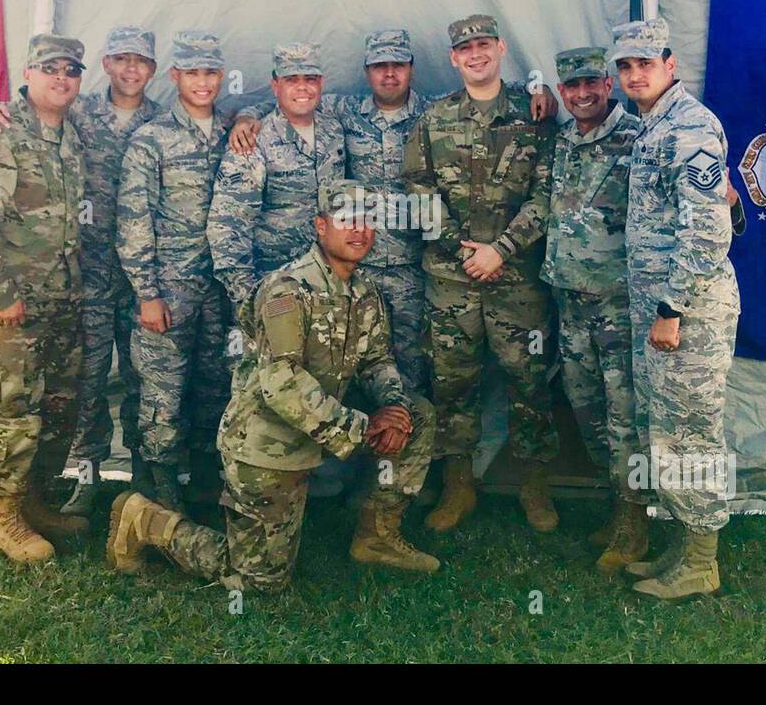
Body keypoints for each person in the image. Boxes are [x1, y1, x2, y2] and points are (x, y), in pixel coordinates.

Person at [106, 180, 440, 590]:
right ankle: (146, 520)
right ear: (320, 226)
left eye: (368, 221)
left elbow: (376, 359)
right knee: (259, 580)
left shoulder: (363, 290)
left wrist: (394, 407)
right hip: (266, 441)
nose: (360, 230)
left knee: (418, 415)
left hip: (320, 424)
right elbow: (281, 383)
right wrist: (361, 426)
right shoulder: (288, 290)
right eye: (346, 220)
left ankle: (376, 535)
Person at [228, 30, 555, 397]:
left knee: (412, 365)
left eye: (397, 65)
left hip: (412, 266)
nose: (388, 74)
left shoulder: (435, 112)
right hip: (356, 267)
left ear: (411, 68)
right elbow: (291, 100)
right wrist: (246, 115)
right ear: (367, 72)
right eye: (379, 66)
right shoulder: (343, 110)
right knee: (343, 363)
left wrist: (537, 91)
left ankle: (407, 443)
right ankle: (353, 441)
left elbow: (485, 88)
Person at [0, 26, 161, 516]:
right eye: (121, 59)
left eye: (141, 61)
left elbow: (228, 116)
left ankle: (144, 481)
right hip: (86, 276)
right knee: (85, 384)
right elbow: (21, 119)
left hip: (146, 280)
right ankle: (87, 477)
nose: (131, 69)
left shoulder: (168, 120)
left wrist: (246, 114)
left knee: (145, 380)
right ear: (106, 66)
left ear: (154, 70)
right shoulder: (80, 112)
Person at [401, 14, 558, 533]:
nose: (475, 54)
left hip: (518, 282)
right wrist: (464, 251)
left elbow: (547, 194)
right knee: (452, 384)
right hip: (452, 280)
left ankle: (534, 485)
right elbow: (417, 187)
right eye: (465, 49)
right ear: (453, 58)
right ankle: (457, 485)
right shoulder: (434, 118)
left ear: (500, 48)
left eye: (484, 45)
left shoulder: (535, 115)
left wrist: (502, 249)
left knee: (529, 382)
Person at [612, 17, 740, 600]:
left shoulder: (689, 126)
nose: (634, 74)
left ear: (671, 65)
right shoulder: (651, 126)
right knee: (666, 431)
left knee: (691, 433)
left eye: (645, 63)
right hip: (664, 313)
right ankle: (683, 546)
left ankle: (701, 564)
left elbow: (706, 233)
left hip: (689, 315)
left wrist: (672, 307)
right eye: (625, 66)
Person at [0, 34, 87, 564]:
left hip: (61, 298)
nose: (61, 78)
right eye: (50, 68)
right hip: (12, 306)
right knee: (11, 409)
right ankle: (3, 521)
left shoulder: (69, 134)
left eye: (71, 70)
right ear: (28, 73)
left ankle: (35, 502)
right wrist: (1, 294)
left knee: (58, 406)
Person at [540, 46, 649, 572]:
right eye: (571, 87)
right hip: (569, 304)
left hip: (617, 304)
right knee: (587, 411)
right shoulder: (560, 140)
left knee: (624, 415)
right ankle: (617, 505)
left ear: (608, 85)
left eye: (591, 83)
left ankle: (635, 522)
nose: (581, 94)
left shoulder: (637, 139)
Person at [117, 31, 232, 509]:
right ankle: (162, 498)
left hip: (217, 290)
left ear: (221, 77)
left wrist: (246, 116)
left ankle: (205, 483)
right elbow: (133, 219)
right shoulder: (152, 139)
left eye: (211, 73)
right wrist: (147, 293)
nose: (202, 83)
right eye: (193, 73)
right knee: (162, 393)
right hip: (168, 291)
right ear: (176, 76)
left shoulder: (232, 129)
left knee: (214, 385)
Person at [207, 42, 346, 314]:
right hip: (274, 286)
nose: (302, 87)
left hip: (330, 283)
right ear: (275, 85)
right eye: (291, 79)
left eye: (310, 79)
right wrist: (249, 298)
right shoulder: (253, 141)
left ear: (321, 82)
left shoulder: (334, 127)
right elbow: (227, 225)